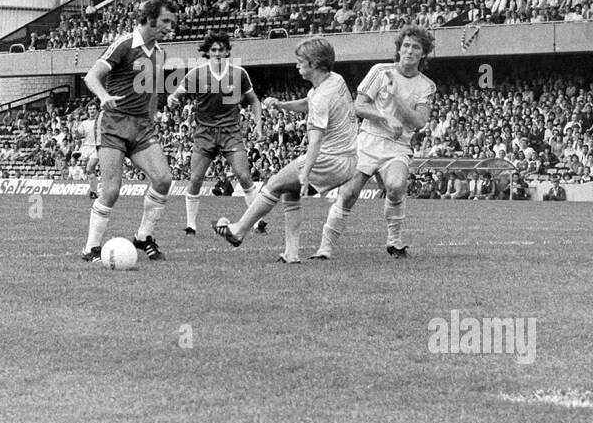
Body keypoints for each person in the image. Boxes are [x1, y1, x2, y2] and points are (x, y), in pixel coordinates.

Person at [215, 37, 358, 262]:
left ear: (315, 64)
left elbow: (316, 141)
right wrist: (282, 105)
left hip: (330, 158)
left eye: (301, 61)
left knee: (273, 184)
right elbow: (307, 103)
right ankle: (291, 254)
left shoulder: (323, 96)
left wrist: (305, 173)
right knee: (289, 193)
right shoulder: (334, 80)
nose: (296, 65)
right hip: (348, 160)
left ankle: (239, 230)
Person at [313, 26, 436, 260]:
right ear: (399, 49)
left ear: (423, 53)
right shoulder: (380, 71)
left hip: (398, 146)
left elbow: (420, 121)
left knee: (396, 186)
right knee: (349, 193)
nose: (409, 51)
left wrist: (395, 98)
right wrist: (385, 117)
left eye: (416, 47)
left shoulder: (426, 86)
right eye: (406, 45)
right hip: (367, 141)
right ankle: (325, 248)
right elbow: (359, 106)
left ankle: (395, 242)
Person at [80, 0, 179, 262]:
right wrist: (102, 96)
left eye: (173, 22)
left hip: (142, 127)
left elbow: (149, 91)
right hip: (113, 123)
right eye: (165, 21)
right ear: (149, 18)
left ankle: (143, 236)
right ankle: (91, 248)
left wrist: (153, 116)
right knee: (111, 190)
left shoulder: (159, 53)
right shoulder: (124, 44)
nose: (170, 27)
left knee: (163, 179)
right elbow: (92, 76)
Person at [166, 32, 266, 236]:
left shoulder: (239, 74)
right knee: (195, 179)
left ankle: (258, 222)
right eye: (214, 50)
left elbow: (254, 100)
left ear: (228, 51)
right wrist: (172, 100)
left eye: (221, 49)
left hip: (230, 131)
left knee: (245, 176)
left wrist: (258, 125)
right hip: (204, 133)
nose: (218, 53)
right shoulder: (196, 74)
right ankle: (191, 226)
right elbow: (174, 96)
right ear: (207, 53)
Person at [71, 103, 101, 199]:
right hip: (86, 147)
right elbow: (78, 136)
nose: (92, 110)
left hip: (96, 148)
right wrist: (75, 131)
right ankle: (94, 192)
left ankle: (94, 191)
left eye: (94, 109)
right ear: (87, 111)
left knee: (89, 168)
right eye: (90, 109)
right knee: (89, 171)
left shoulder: (100, 122)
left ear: (97, 110)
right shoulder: (84, 123)